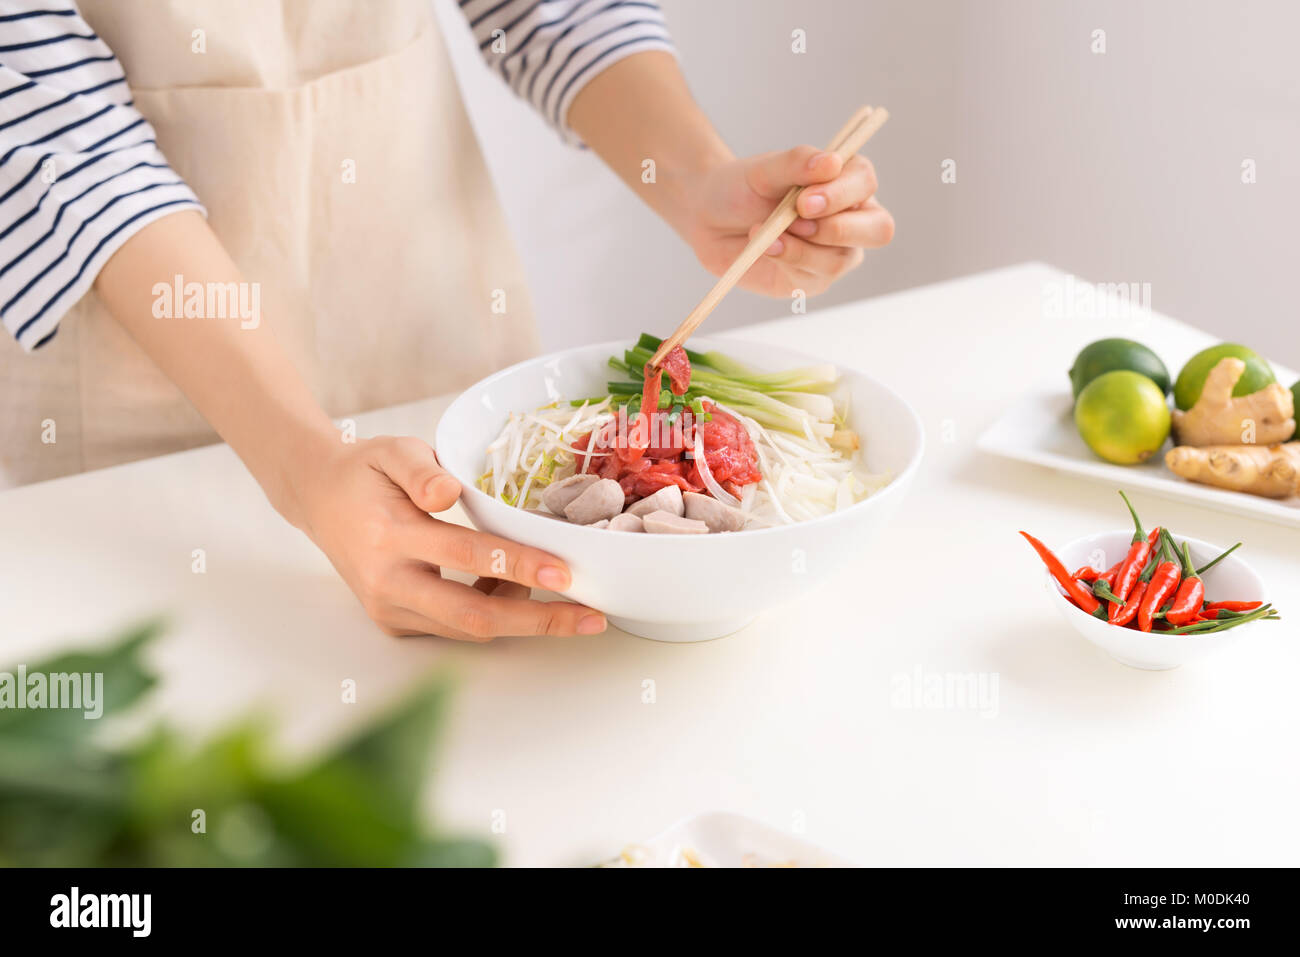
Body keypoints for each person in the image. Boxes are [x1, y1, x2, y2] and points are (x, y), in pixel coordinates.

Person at [0, 0, 894, 640]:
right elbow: (58, 142)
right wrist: (307, 466)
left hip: (424, 318)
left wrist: (697, 180)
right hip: (143, 396)